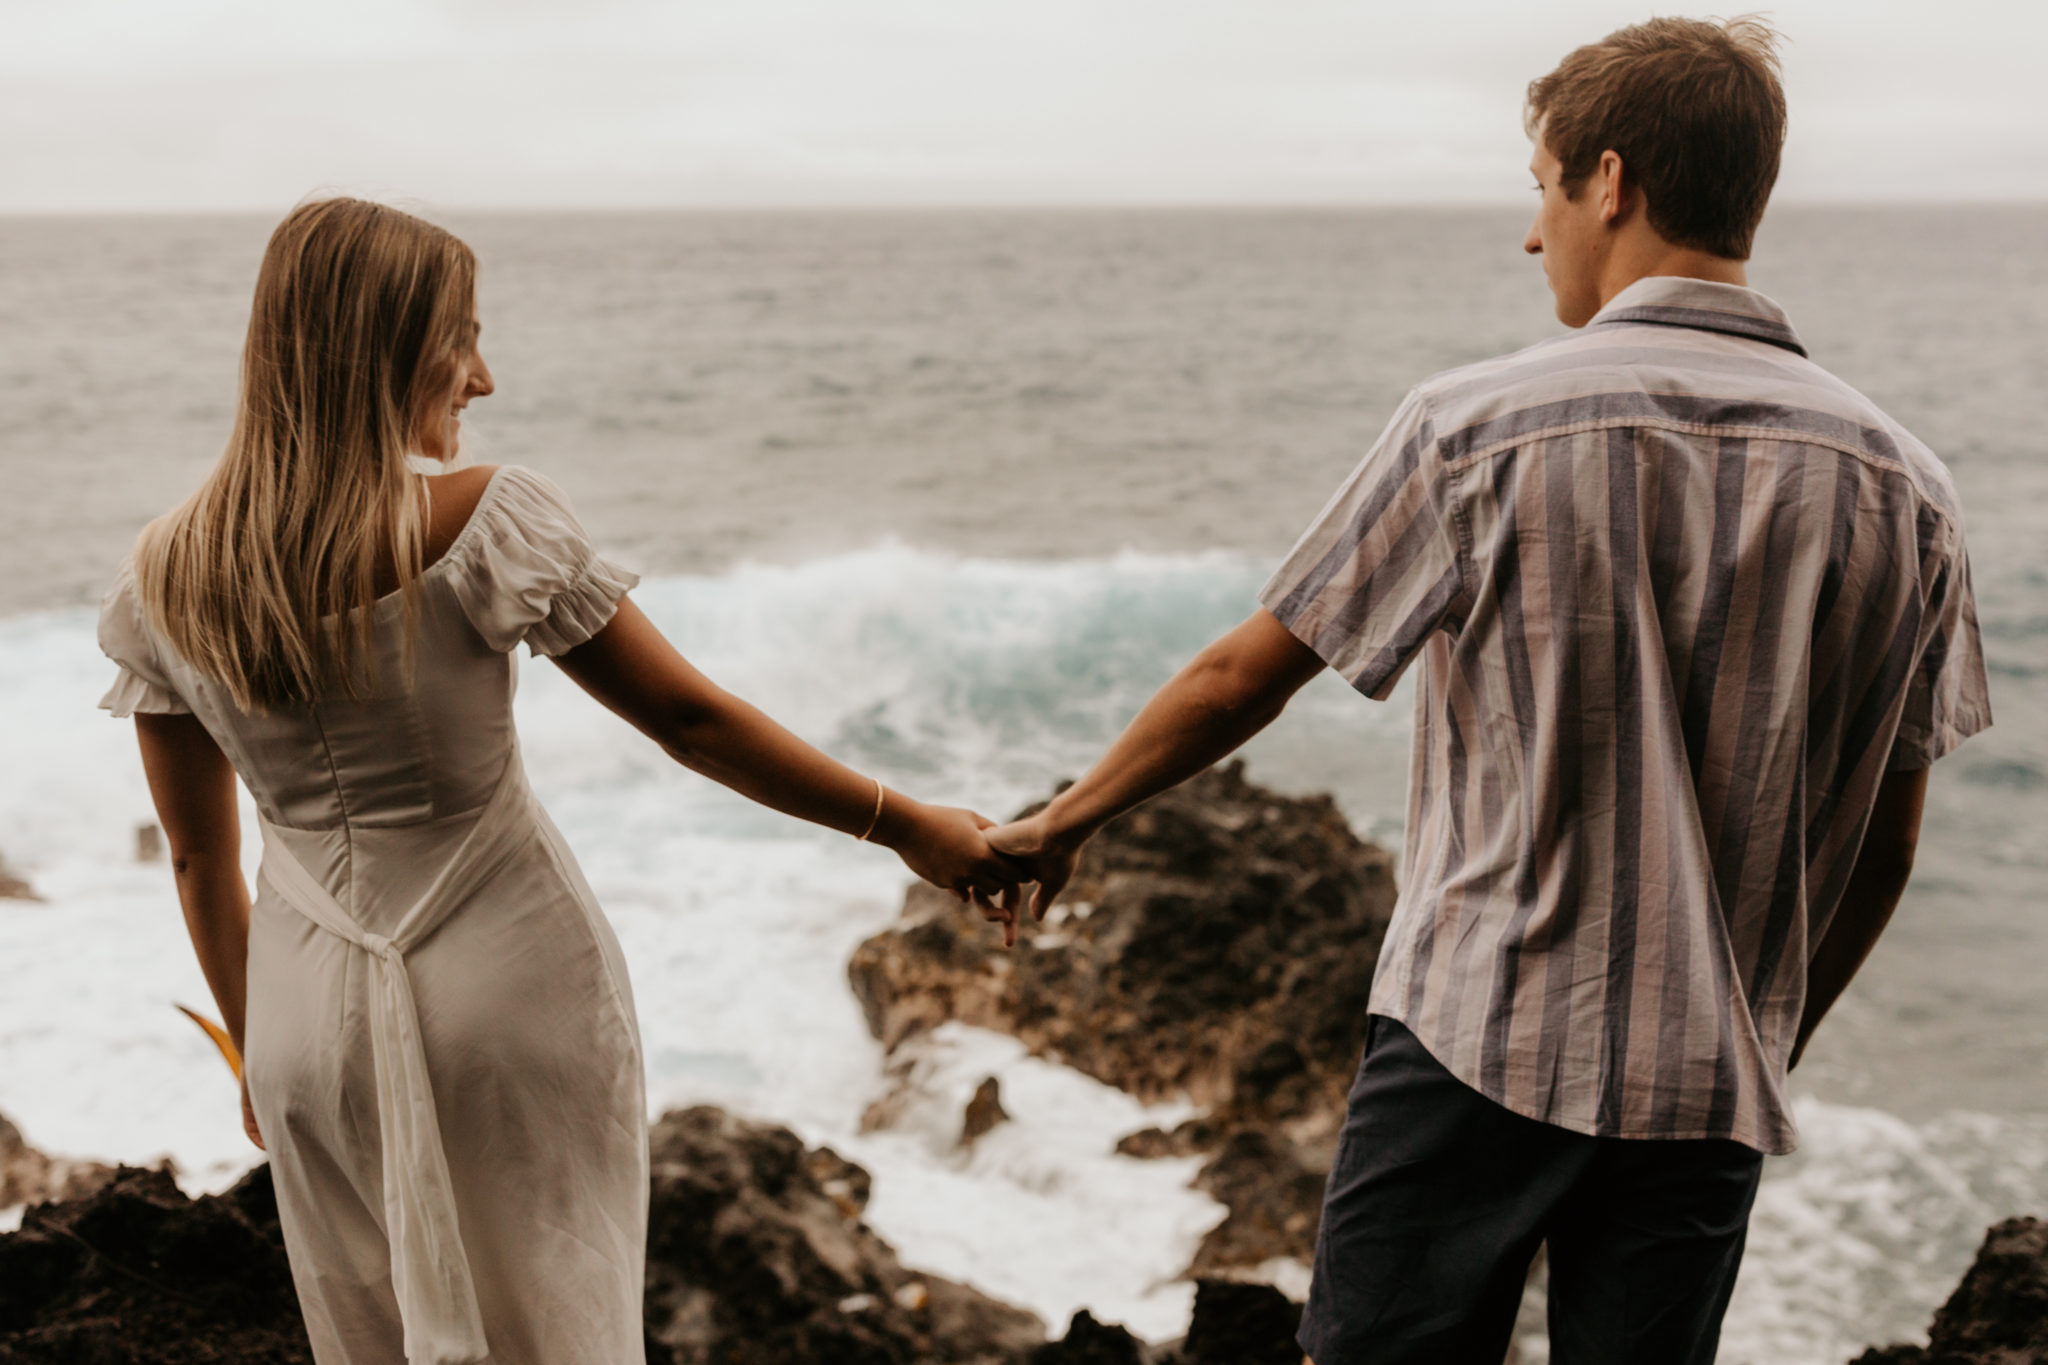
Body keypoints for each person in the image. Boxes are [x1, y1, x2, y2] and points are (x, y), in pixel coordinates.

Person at [985, 17, 1990, 1364]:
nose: (1533, 234)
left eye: (1540, 189)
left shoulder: (1475, 428)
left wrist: (1063, 822)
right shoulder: (1906, 488)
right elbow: (1886, 845)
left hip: (1474, 1041)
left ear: (1609, 182)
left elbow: (1242, 677)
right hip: (1705, 1084)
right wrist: (1760, 1036)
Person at [98, 196, 1020, 1365]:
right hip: (508, 992)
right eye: (462, 341)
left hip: (298, 1027)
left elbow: (197, 858)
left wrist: (255, 1050)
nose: (481, 380)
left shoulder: (163, 577)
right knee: (560, 1326)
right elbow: (690, 720)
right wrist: (906, 825)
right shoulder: (487, 520)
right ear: (387, 350)